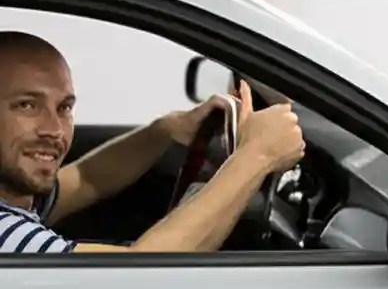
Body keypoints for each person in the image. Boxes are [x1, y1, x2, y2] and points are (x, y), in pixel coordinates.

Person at [0, 31, 305, 253]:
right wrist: (258, 155)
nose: (54, 129)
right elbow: (141, 276)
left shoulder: (13, 197)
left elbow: (86, 180)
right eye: (27, 105)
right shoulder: (8, 236)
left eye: (64, 108)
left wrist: (165, 130)